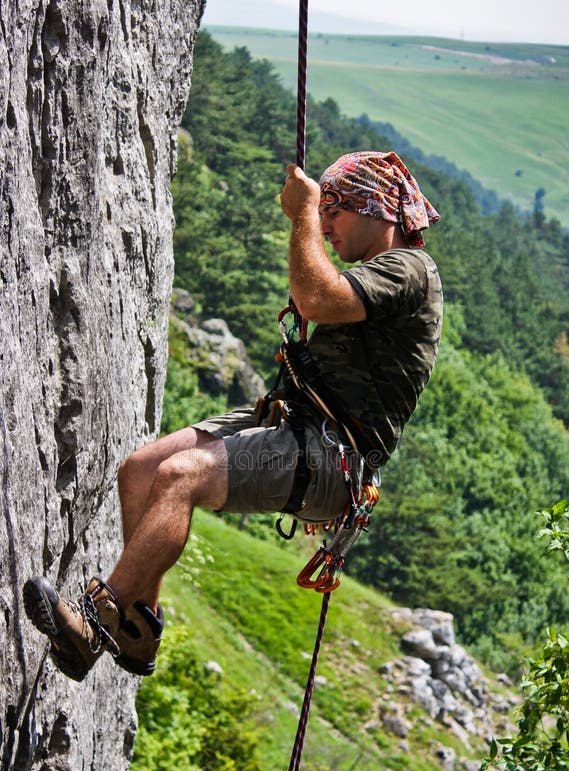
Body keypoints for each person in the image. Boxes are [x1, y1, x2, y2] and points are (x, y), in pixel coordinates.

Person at [23, 150, 443, 682]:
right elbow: (320, 294)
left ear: (375, 208)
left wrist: (305, 213)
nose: (329, 227)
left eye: (337, 213)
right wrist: (311, 217)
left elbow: (314, 297)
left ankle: (95, 623)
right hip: (298, 425)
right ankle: (138, 628)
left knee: (181, 477)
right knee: (143, 469)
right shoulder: (389, 272)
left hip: (329, 453)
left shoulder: (410, 270)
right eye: (327, 213)